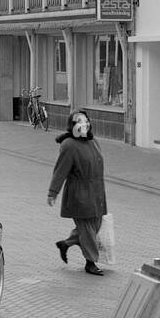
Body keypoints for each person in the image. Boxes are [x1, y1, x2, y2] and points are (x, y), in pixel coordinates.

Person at [47, 109, 107, 276]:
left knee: (94, 226)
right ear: (72, 125)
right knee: (87, 228)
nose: (84, 124)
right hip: (79, 194)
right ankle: (90, 262)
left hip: (96, 191)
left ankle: (65, 244)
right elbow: (60, 171)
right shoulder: (69, 145)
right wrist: (53, 192)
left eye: (85, 120)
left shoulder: (93, 141)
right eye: (79, 121)